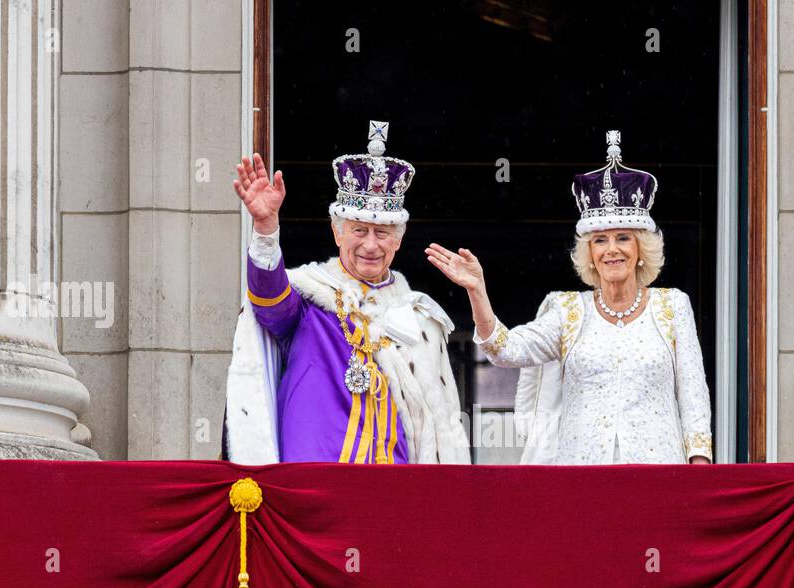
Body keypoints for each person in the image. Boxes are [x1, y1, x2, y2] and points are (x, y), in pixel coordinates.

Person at [426, 131, 712, 465]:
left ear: (640, 251)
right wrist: (478, 291)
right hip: (581, 475)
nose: (612, 249)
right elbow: (505, 349)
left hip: (659, 474)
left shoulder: (673, 306)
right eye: (600, 241)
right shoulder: (568, 311)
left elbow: (693, 395)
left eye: (623, 238)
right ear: (589, 254)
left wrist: (699, 463)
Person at [223, 121, 469, 464]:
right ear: (337, 232)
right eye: (359, 230)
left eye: (382, 233)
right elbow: (268, 301)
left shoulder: (419, 321)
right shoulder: (310, 301)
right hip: (315, 487)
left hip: (390, 492)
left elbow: (437, 427)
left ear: (398, 240)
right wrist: (266, 229)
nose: (370, 245)